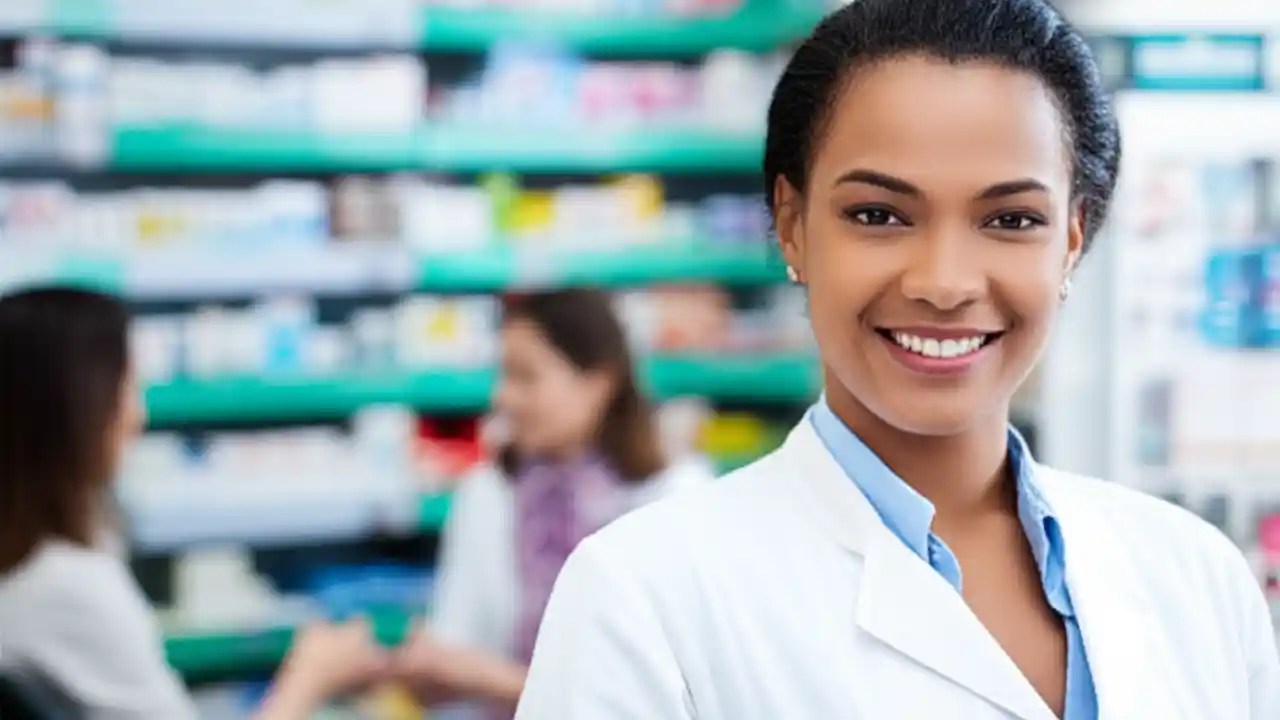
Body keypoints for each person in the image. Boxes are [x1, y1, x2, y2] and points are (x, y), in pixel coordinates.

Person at [515, 1, 1280, 719]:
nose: (944, 283)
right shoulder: (643, 595)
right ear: (792, 227)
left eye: (1012, 219)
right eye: (878, 216)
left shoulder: (1196, 576)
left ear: (1072, 241)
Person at [0, 287, 387, 720]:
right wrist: (314, 675)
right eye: (126, 387)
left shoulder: (28, 567)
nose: (138, 415)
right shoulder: (66, 587)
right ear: (75, 406)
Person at [389, 289, 711, 719]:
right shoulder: (489, 492)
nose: (503, 398)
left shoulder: (676, 496)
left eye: (526, 377)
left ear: (600, 382)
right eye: (503, 375)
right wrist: (426, 673)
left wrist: (489, 678)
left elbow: (674, 694)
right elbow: (455, 651)